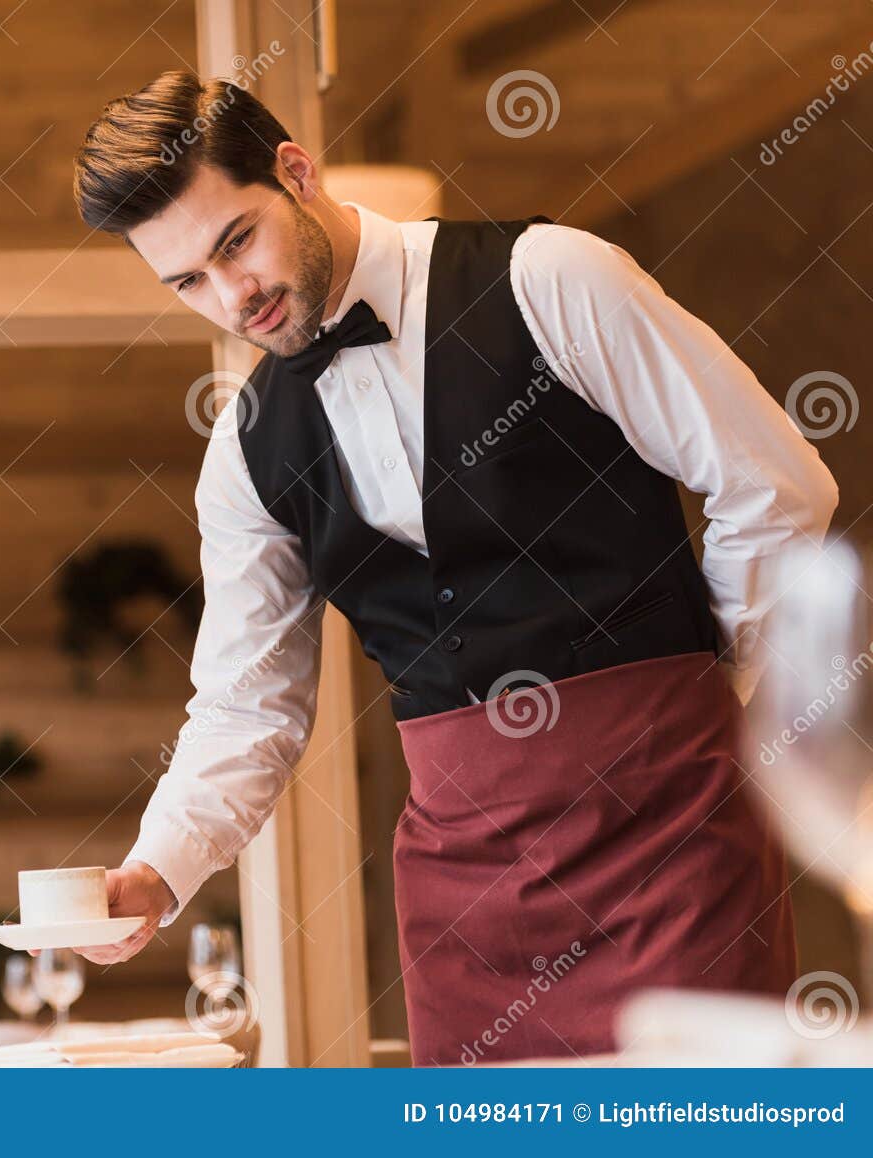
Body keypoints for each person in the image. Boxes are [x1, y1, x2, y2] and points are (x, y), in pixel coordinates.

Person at [66, 70, 839, 1064]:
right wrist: (158, 868)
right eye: (187, 283)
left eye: (234, 243)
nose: (233, 297)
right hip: (463, 896)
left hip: (671, 842)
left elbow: (773, 486)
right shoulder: (246, 451)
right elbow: (246, 699)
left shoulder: (551, 277)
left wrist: (714, 687)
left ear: (296, 172)